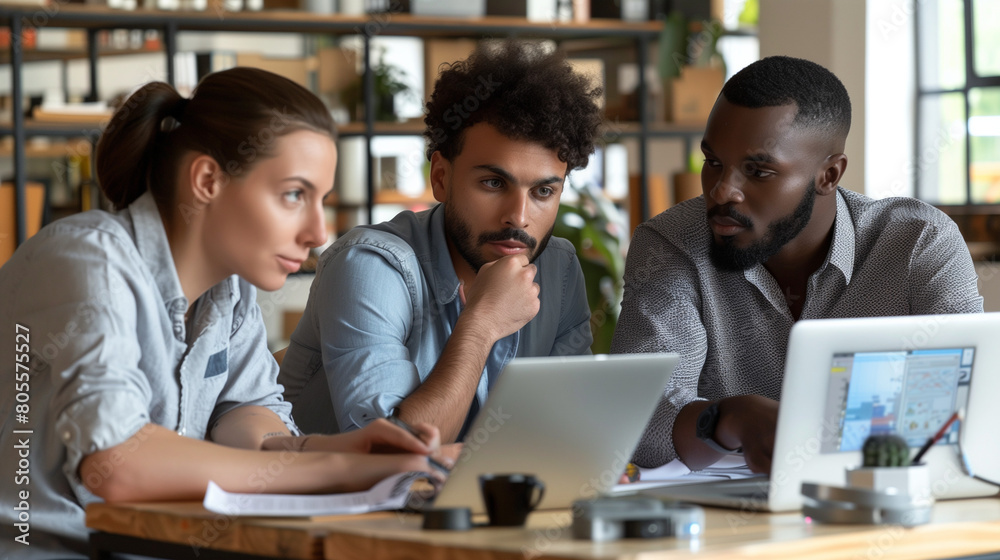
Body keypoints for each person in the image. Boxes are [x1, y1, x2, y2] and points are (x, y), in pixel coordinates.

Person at [0, 67, 443, 559]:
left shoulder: (229, 290)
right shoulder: (86, 260)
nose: (318, 232)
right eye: (294, 195)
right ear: (207, 179)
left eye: (322, 200)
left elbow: (246, 415)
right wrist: (341, 473)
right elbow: (118, 464)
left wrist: (342, 449)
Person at [611, 56, 983, 475]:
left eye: (758, 171)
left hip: (885, 499)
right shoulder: (671, 244)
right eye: (713, 161)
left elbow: (972, 402)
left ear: (829, 174)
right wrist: (726, 419)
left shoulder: (917, 242)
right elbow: (639, 427)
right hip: (721, 522)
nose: (722, 191)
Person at [279, 41, 603, 443]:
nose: (518, 217)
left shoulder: (559, 268)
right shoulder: (368, 266)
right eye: (493, 183)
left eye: (542, 192)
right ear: (441, 178)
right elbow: (391, 454)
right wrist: (482, 325)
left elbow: (567, 432)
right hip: (334, 505)